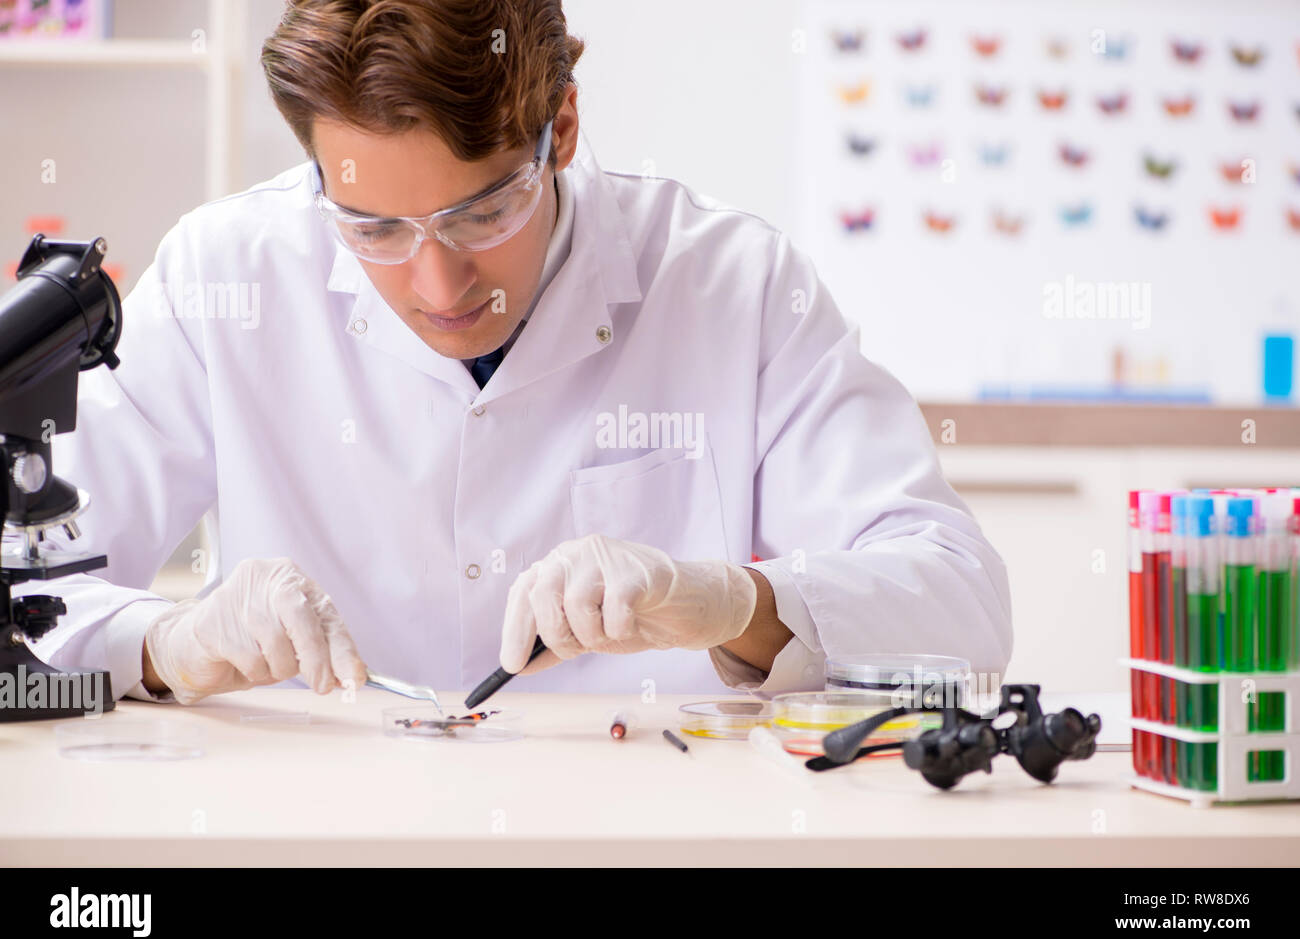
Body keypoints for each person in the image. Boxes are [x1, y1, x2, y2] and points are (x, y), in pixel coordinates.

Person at [21, 0, 1012, 705]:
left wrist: (728, 601)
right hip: (320, 839)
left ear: (563, 128)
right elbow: (27, 596)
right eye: (373, 230)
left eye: (484, 210)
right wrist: (170, 644)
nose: (438, 285)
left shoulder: (731, 283)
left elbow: (961, 608)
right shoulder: (223, 274)